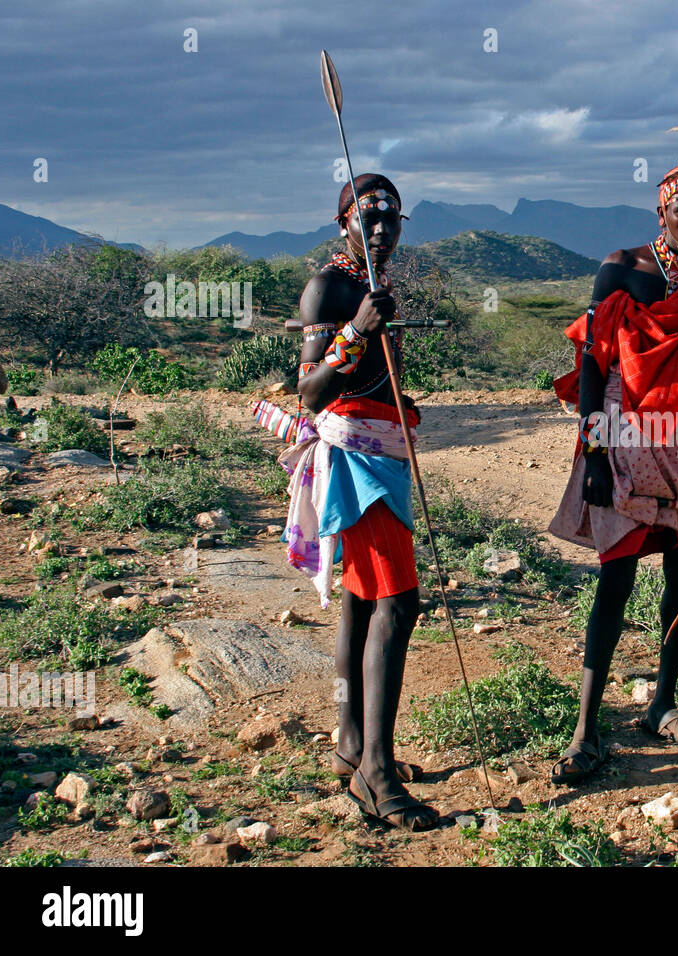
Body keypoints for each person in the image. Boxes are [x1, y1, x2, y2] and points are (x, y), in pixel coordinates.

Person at [547, 136, 678, 783]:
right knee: (617, 574)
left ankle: (662, 699)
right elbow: (593, 358)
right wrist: (593, 452)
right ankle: (585, 727)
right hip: (623, 431)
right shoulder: (621, 268)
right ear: (661, 215)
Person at [284, 173, 436, 831]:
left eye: (391, 222)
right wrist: (355, 330)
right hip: (354, 459)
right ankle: (377, 774)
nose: (380, 231)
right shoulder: (332, 288)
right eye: (367, 220)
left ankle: (352, 743)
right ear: (344, 223)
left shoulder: (378, 287)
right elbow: (311, 393)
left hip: (381, 443)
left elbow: (371, 379)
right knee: (399, 601)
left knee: (362, 599)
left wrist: (397, 403)